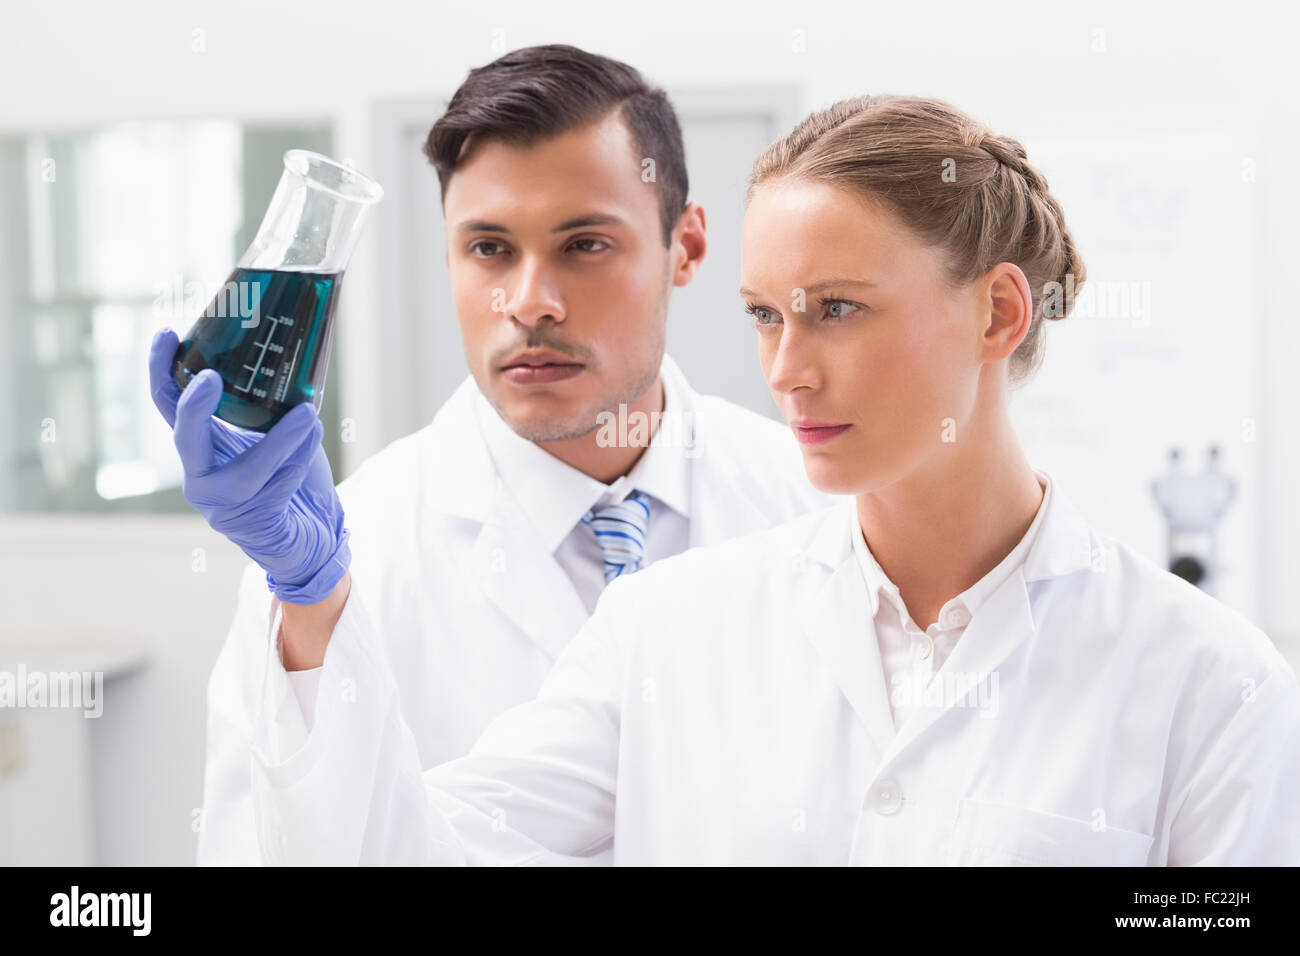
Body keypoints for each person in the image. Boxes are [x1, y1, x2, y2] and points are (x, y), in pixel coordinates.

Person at [221, 94, 1300, 865]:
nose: (785, 368)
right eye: (762, 314)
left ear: (998, 312)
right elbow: (404, 851)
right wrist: (312, 599)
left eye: (836, 307)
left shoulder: (1208, 681)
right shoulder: (664, 627)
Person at [149, 45, 833, 865]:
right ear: (448, 256)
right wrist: (310, 606)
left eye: (584, 245)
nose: (530, 303)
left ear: (685, 248)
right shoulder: (336, 566)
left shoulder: (817, 506)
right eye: (489, 249)